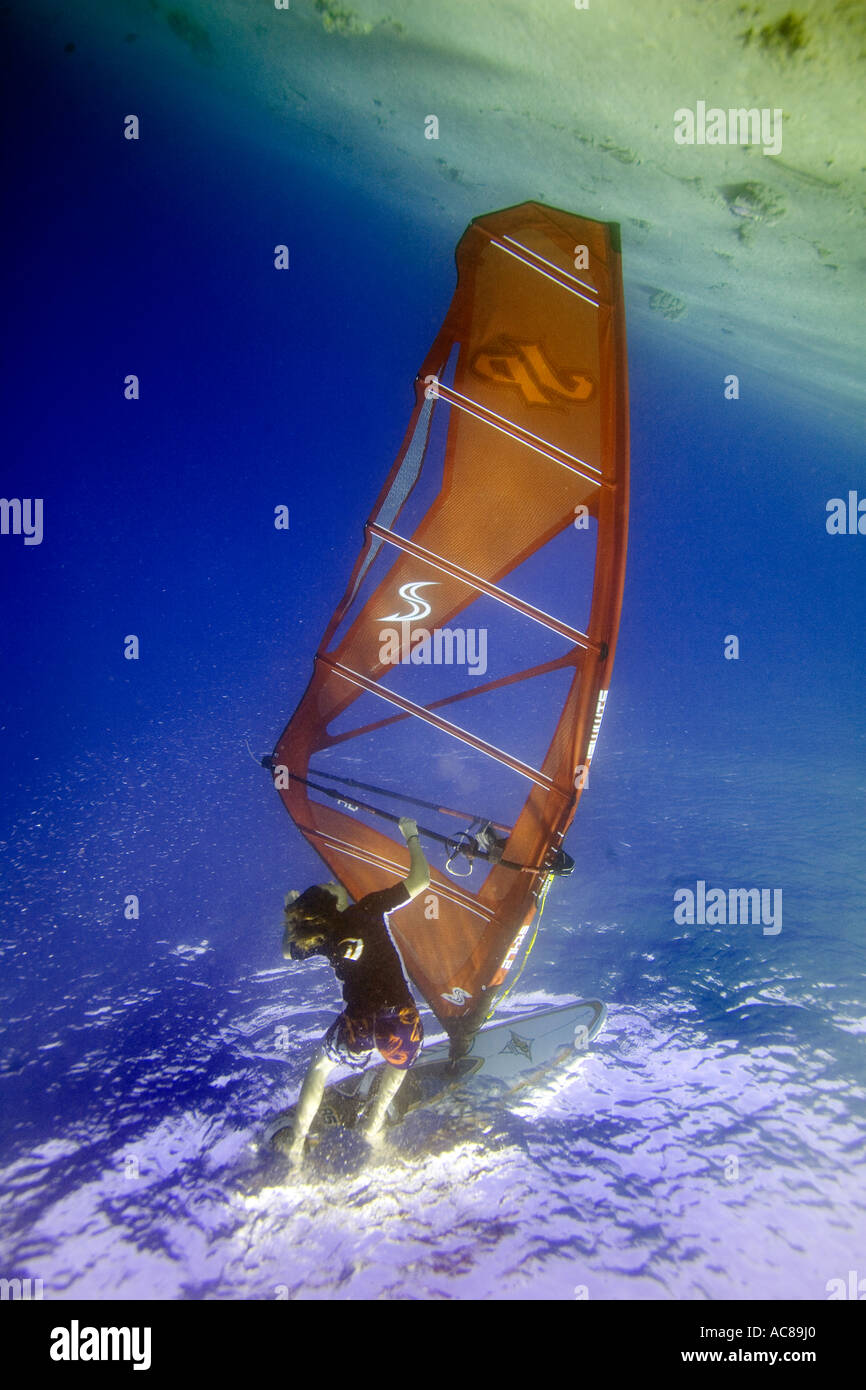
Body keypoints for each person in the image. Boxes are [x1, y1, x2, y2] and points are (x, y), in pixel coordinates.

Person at [277, 816, 430, 1163]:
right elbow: (421, 880)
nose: (334, 882)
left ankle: (297, 1144)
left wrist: (290, 917)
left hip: (358, 1023)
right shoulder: (370, 907)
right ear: (337, 903)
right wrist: (412, 835)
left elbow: (287, 951)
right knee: (399, 1065)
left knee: (319, 1068)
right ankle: (374, 1123)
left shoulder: (323, 936)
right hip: (400, 1016)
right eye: (331, 888)